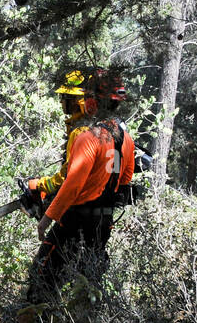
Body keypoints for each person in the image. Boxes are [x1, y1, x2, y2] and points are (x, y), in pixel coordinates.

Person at [24, 67, 136, 303]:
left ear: (92, 102)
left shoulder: (88, 137)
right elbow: (125, 182)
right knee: (88, 283)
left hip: (74, 222)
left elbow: (72, 185)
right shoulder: (127, 140)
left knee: (42, 277)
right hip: (103, 224)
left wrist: (47, 219)